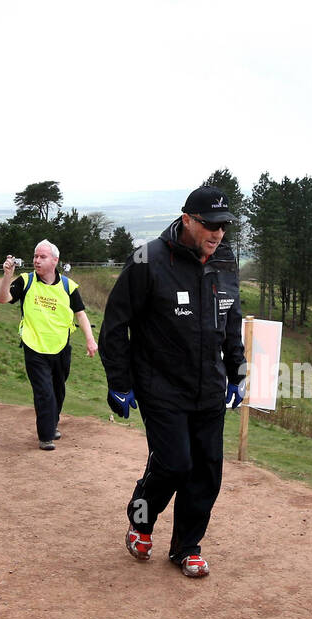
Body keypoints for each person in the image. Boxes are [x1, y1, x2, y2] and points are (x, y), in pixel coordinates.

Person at [99, 186, 245, 578]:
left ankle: (186, 547)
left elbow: (232, 320)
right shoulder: (148, 259)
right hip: (160, 384)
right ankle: (141, 521)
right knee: (175, 462)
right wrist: (120, 381)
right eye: (210, 225)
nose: (218, 234)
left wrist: (237, 371)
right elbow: (116, 324)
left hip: (209, 386)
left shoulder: (226, 260)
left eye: (223, 227)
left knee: (207, 469)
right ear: (187, 220)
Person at [0, 240, 98, 450]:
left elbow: (81, 314)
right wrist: (7, 276)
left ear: (55, 260)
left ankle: (52, 423)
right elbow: (3, 299)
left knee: (58, 390)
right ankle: (45, 436)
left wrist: (90, 340)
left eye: (42, 257)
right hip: (33, 346)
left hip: (61, 346)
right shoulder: (25, 281)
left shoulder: (68, 286)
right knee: (44, 391)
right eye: (35, 256)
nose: (37, 260)